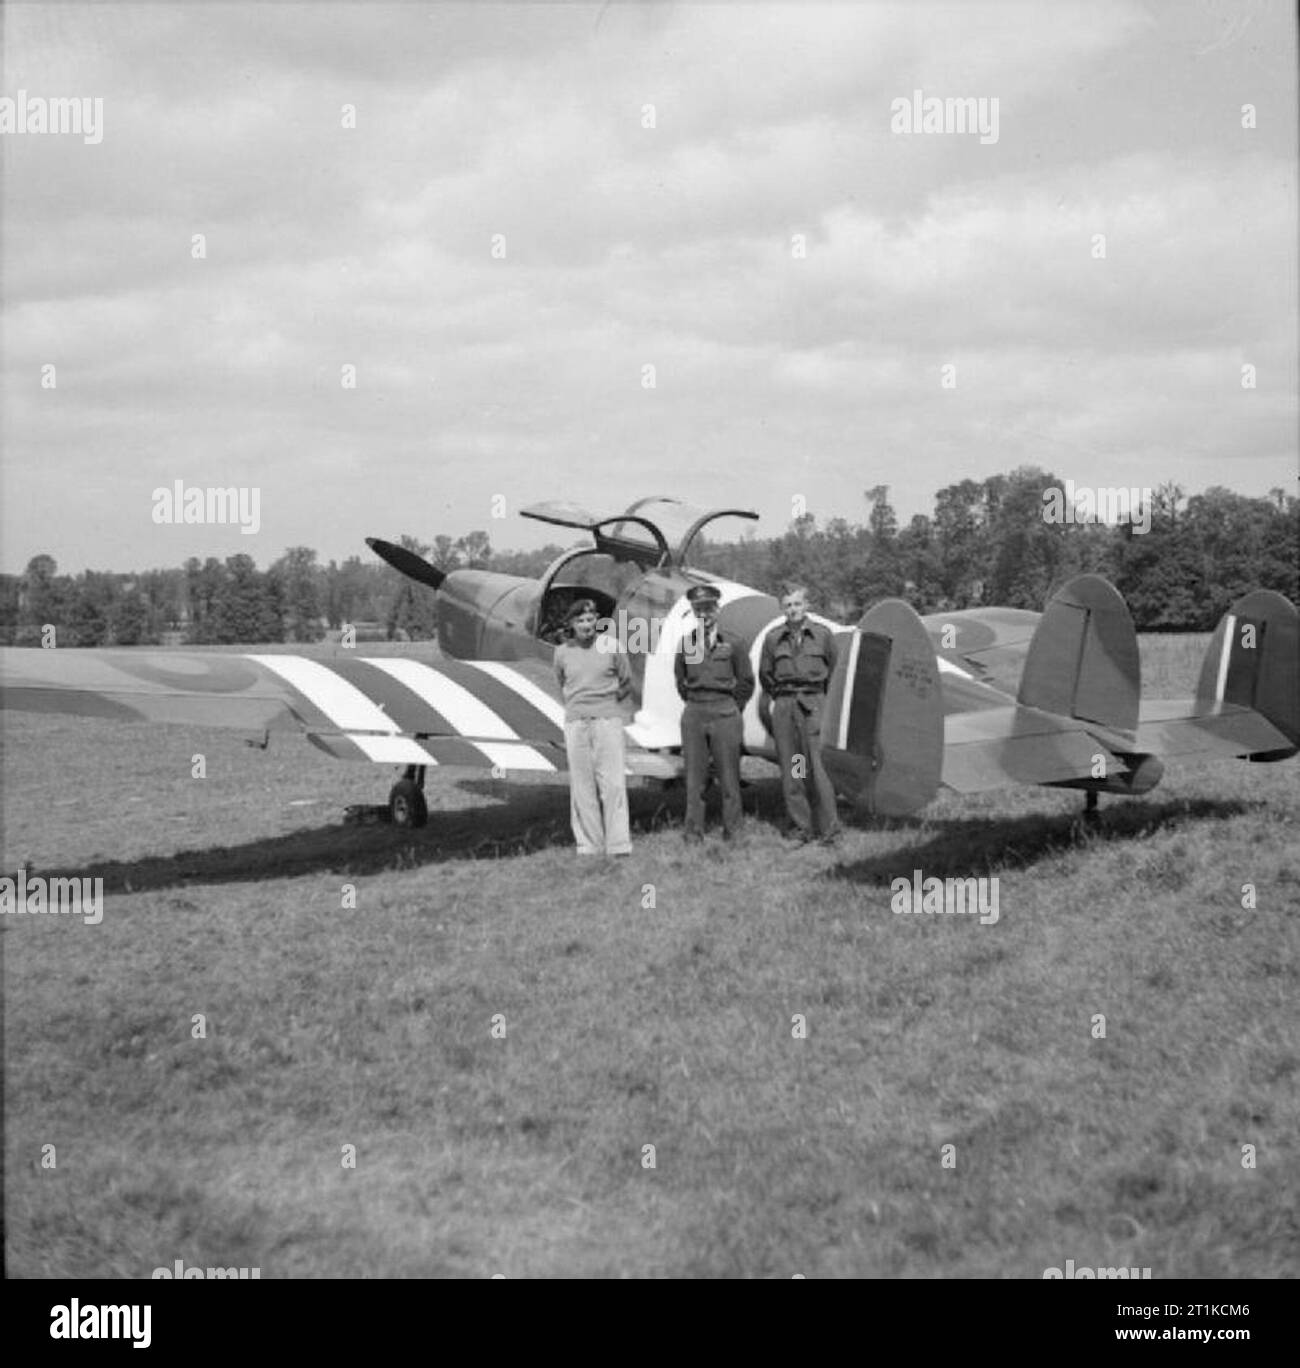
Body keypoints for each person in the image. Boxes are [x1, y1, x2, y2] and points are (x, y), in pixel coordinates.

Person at [759, 583, 842, 845]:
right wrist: (784, 699)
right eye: (788, 605)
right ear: (782, 608)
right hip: (785, 707)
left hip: (814, 705)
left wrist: (820, 701)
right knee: (795, 768)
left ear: (806, 606)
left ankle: (829, 831)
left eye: (797, 604)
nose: (793, 610)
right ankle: (800, 828)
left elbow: (836, 672)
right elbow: (766, 674)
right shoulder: (773, 639)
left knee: (818, 770)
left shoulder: (823, 635)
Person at [674, 583, 754, 842]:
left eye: (708, 608)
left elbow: (746, 681)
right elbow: (680, 681)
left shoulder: (733, 642)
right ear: (693, 612)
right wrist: (697, 701)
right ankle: (693, 832)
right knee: (694, 778)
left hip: (725, 712)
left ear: (717, 610)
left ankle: (734, 830)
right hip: (695, 712)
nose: (704, 615)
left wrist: (731, 707)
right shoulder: (687, 644)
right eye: (698, 609)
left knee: (729, 777)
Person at [553, 598, 633, 856]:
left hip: (607, 720)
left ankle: (618, 844)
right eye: (580, 621)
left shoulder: (611, 645)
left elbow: (626, 680)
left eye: (590, 619)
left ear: (596, 620)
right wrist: (580, 708)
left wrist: (606, 705)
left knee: (612, 783)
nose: (586, 625)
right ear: (571, 624)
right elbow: (562, 681)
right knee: (582, 784)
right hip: (576, 722)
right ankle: (589, 843)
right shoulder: (562, 651)